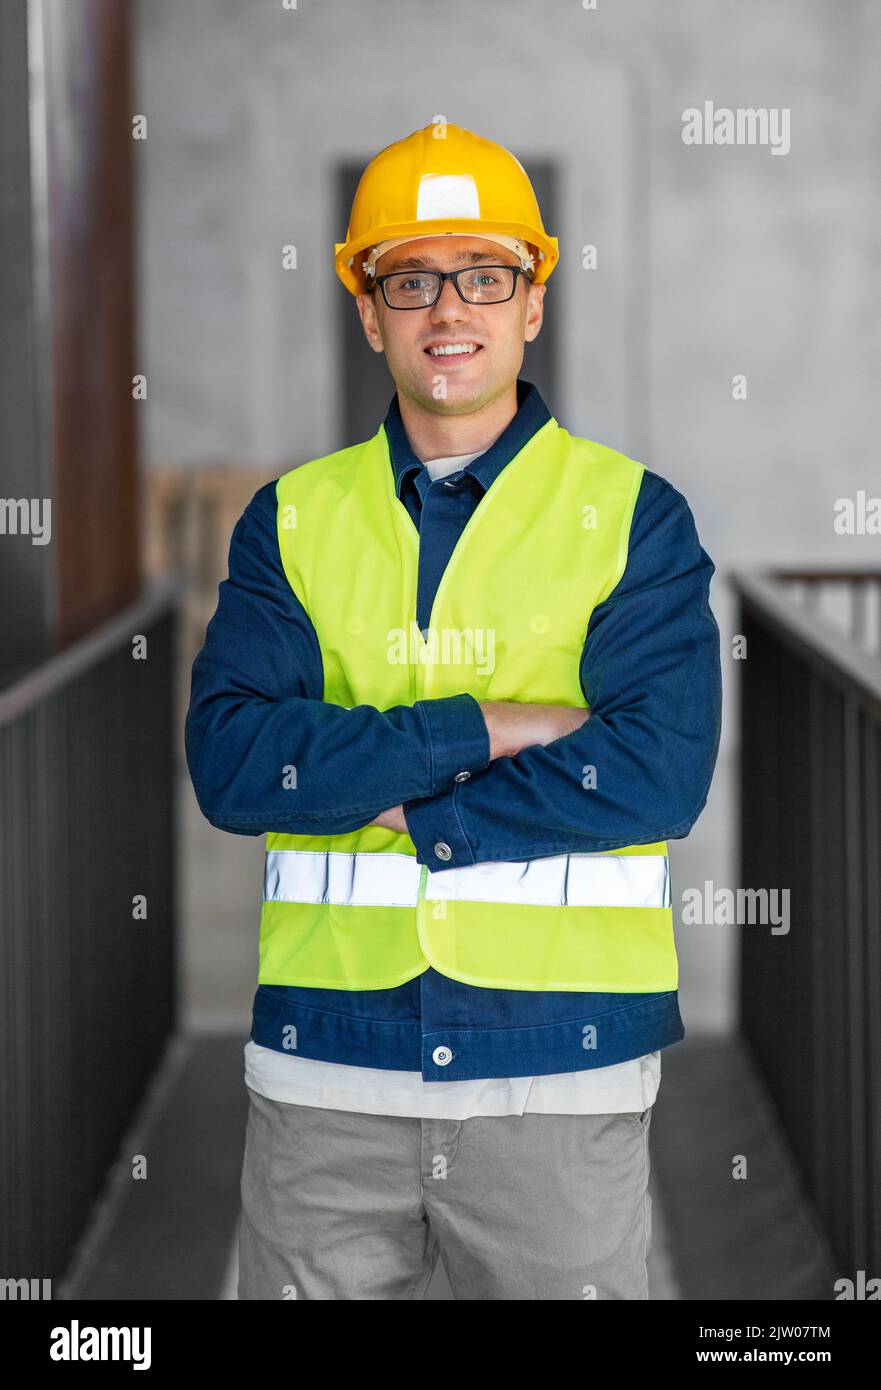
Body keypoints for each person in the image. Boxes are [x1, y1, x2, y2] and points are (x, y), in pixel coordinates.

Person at [185, 121, 722, 1301]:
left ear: (532, 301)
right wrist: (482, 723)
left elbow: (656, 772)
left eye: (484, 276)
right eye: (410, 279)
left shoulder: (633, 515)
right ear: (367, 308)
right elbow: (232, 765)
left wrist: (395, 808)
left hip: (558, 1071)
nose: (448, 310)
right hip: (327, 1072)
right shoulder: (290, 519)